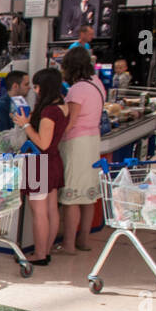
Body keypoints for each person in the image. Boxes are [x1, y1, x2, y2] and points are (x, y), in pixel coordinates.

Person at [12, 68, 68, 266]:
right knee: (52, 209)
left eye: (36, 86)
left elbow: (42, 143)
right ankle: (46, 250)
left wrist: (26, 125)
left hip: (38, 162)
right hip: (53, 161)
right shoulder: (62, 107)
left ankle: (40, 253)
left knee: (39, 212)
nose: (35, 90)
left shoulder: (48, 112)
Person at [58, 46, 105, 252]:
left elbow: (71, 121)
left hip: (77, 143)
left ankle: (68, 244)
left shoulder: (77, 89)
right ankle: (83, 240)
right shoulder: (97, 83)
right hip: (93, 140)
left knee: (72, 197)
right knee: (88, 194)